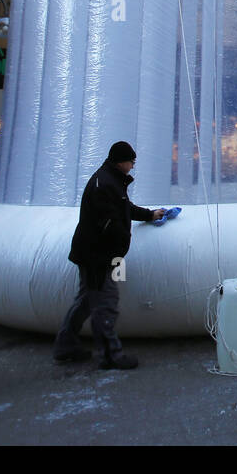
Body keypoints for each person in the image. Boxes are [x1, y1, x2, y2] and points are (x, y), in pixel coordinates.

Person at [54, 141, 164, 369]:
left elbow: (124, 208)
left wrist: (150, 214)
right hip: (98, 257)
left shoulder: (109, 181)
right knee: (106, 303)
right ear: (120, 161)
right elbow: (109, 222)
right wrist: (121, 241)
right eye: (131, 161)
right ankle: (110, 355)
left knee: (86, 300)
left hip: (94, 253)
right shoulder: (104, 184)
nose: (133, 165)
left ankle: (66, 345)